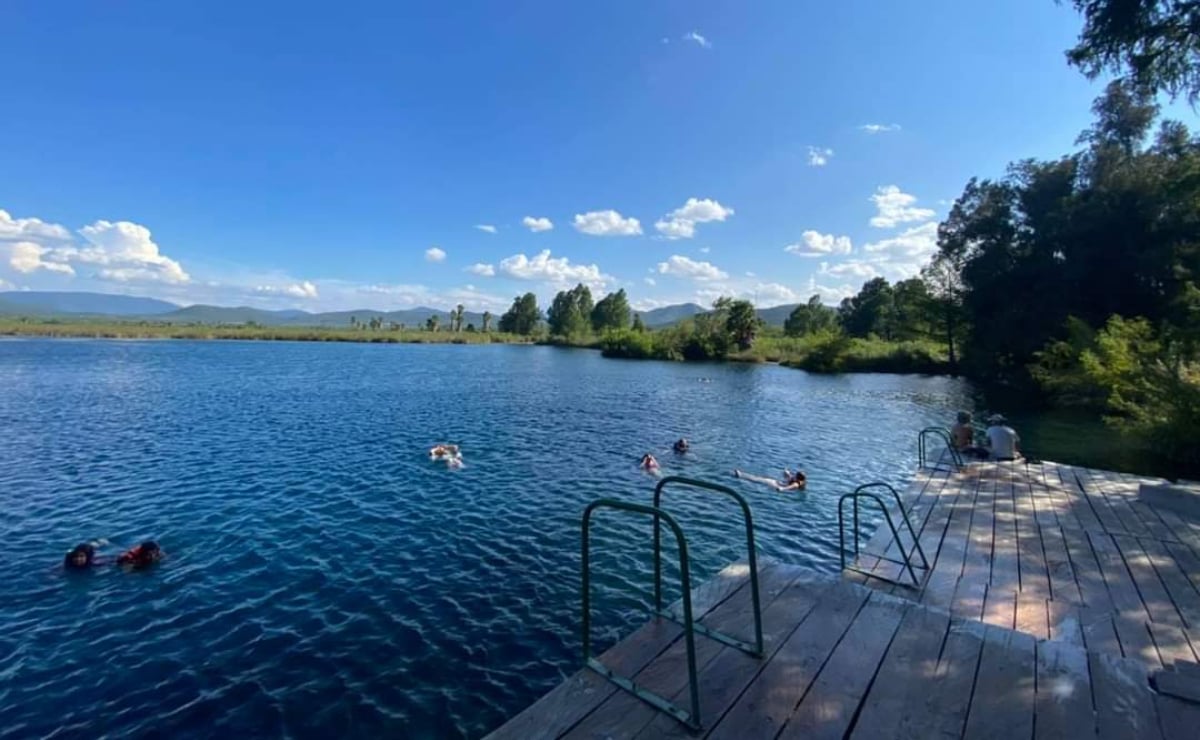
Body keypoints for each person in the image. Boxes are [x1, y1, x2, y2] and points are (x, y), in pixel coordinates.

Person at [733, 468, 806, 491]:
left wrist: (781, 489)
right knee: (759, 478)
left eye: (795, 475)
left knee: (757, 480)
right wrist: (787, 473)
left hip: (776, 485)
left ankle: (741, 475)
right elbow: (789, 477)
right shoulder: (797, 480)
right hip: (778, 483)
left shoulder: (796, 484)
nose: (794, 475)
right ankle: (742, 475)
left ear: (798, 477)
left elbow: (789, 487)